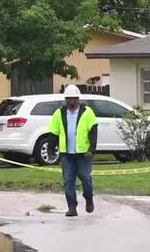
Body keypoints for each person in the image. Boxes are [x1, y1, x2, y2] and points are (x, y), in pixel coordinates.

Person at [49, 84, 98, 217]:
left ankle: (89, 199)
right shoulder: (59, 113)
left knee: (86, 178)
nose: (71, 101)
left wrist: (92, 148)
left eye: (74, 99)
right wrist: (51, 148)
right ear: (66, 100)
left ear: (78, 99)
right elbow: (53, 132)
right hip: (67, 153)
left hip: (83, 152)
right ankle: (72, 207)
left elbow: (93, 130)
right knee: (68, 181)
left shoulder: (87, 112)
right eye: (69, 99)